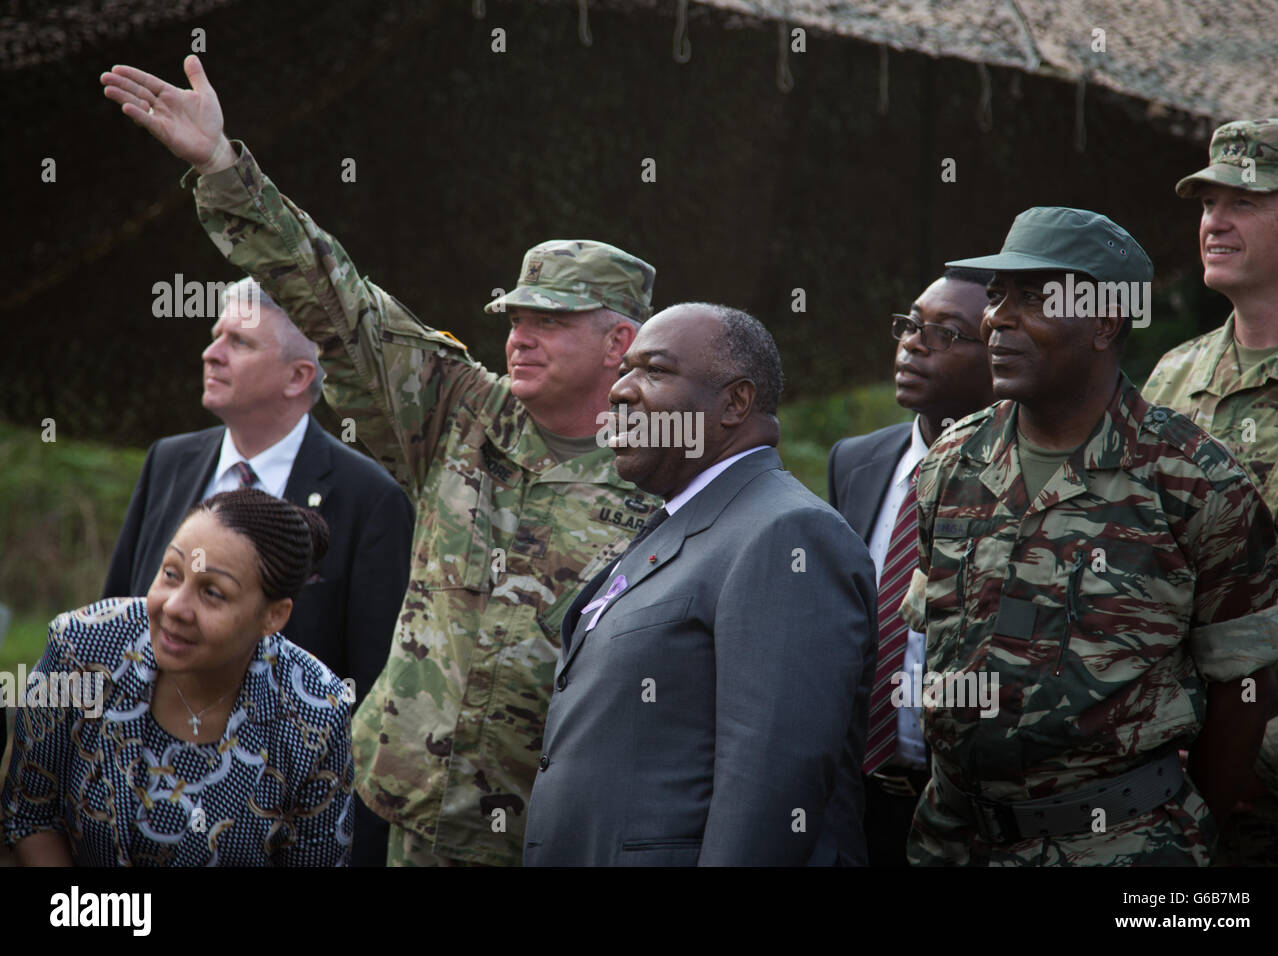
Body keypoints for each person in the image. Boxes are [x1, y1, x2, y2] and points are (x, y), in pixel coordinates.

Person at [102, 56, 658, 866]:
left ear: (621, 343)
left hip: (553, 830)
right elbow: (337, 300)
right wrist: (222, 167)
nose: (519, 336)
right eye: (516, 316)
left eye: (551, 321)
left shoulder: (665, 472)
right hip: (407, 814)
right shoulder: (459, 412)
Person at [900, 206, 1278, 865]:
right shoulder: (951, 463)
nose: (998, 317)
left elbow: (1246, 692)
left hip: (1117, 844)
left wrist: (1185, 829)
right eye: (997, 295)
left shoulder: (1194, 483)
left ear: (1105, 321)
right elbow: (932, 639)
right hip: (953, 837)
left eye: (1032, 298)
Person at [523, 304, 877, 865]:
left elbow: (770, 785)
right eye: (623, 371)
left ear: (735, 402)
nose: (621, 391)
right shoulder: (684, 519)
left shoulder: (787, 534)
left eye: (655, 371)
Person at [102, 278, 412, 866]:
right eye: (214, 334)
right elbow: (117, 623)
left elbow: (376, 702)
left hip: (275, 829)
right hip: (133, 811)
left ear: (298, 377)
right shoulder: (169, 461)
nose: (210, 352)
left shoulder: (370, 500)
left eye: (238, 342)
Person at [3, 489, 354, 866]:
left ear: (274, 616)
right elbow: (29, 813)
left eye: (213, 593)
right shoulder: (82, 646)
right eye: (171, 573)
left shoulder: (316, 709)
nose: (175, 607)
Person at [1143, 119, 1278, 865]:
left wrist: (1258, 755)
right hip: (1167, 789)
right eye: (1208, 202)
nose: (1216, 221)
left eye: (1246, 199)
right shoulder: (1173, 376)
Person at [827, 266, 994, 865]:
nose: (914, 343)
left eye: (947, 333)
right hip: (856, 792)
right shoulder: (856, 462)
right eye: (910, 325)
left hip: (967, 807)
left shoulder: (1024, 484)